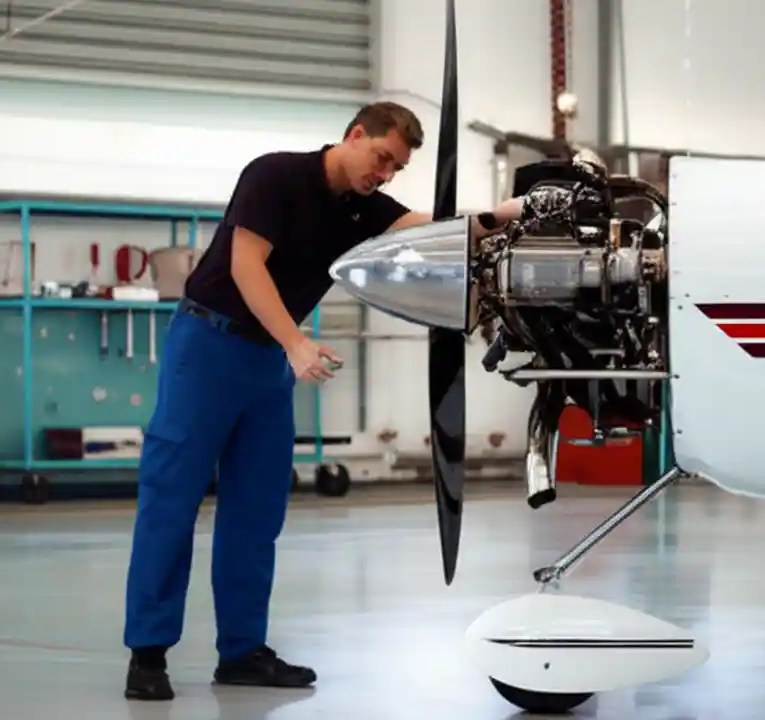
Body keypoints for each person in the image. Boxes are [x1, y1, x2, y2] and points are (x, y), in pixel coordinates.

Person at [122, 101, 524, 700]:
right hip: (208, 345)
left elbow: (440, 229)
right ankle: (148, 655)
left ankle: (242, 651)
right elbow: (245, 265)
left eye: (395, 168)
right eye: (382, 158)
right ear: (354, 135)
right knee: (171, 498)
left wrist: (507, 216)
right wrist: (296, 342)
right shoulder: (275, 175)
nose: (385, 173)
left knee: (257, 512)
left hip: (268, 363)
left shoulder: (364, 208)